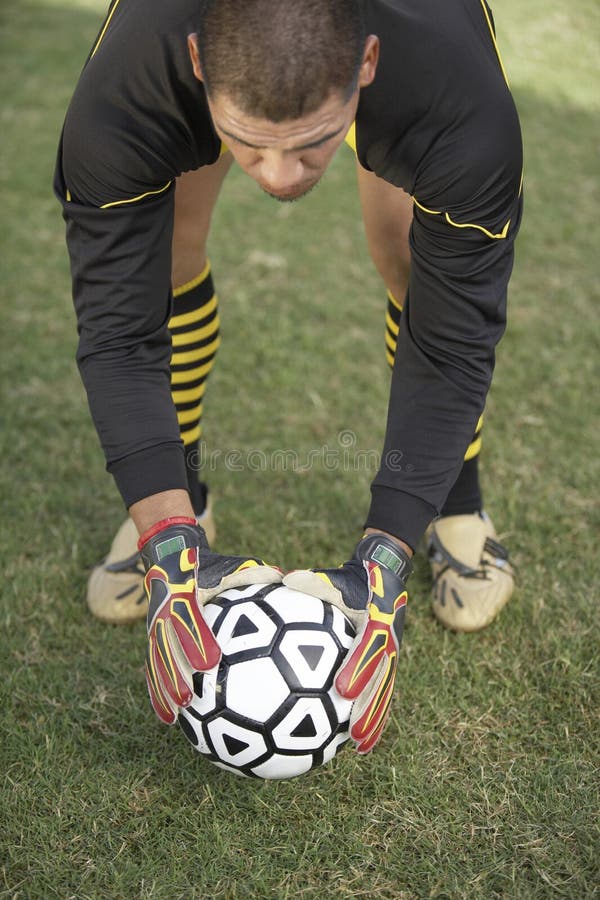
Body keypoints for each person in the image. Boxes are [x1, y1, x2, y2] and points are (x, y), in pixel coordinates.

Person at [55, 0, 523, 751]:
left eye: (311, 147)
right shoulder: (127, 91)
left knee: (408, 255)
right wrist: (165, 537)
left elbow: (456, 345)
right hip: (178, 55)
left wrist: (383, 560)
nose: (278, 178)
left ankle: (455, 506)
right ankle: (186, 503)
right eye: (246, 143)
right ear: (199, 64)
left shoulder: (456, 97)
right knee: (163, 254)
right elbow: (118, 328)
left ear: (365, 67)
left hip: (413, 46)